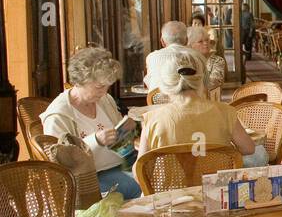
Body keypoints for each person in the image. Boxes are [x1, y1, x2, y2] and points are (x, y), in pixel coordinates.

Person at [41, 46, 142, 199]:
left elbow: (119, 141)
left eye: (108, 86)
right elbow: (59, 162)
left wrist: (128, 130)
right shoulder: (58, 114)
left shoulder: (104, 100)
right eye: (100, 87)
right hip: (87, 179)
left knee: (159, 172)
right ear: (80, 81)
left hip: (120, 165)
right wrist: (95, 141)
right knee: (145, 184)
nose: (105, 92)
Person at [138, 47, 266, 165]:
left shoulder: (151, 120)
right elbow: (249, 149)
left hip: (171, 189)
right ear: (202, 80)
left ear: (164, 82)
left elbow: (140, 172)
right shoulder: (225, 112)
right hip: (216, 188)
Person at [143, 20, 189, 91]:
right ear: (187, 40)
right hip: (188, 101)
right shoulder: (197, 56)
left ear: (162, 41)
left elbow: (150, 84)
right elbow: (205, 86)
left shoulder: (151, 57)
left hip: (157, 100)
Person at [186, 23, 226, 94]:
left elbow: (215, 82)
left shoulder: (217, 60)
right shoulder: (186, 60)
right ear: (191, 45)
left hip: (209, 100)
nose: (205, 43)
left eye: (207, 40)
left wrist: (190, 85)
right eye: (200, 41)